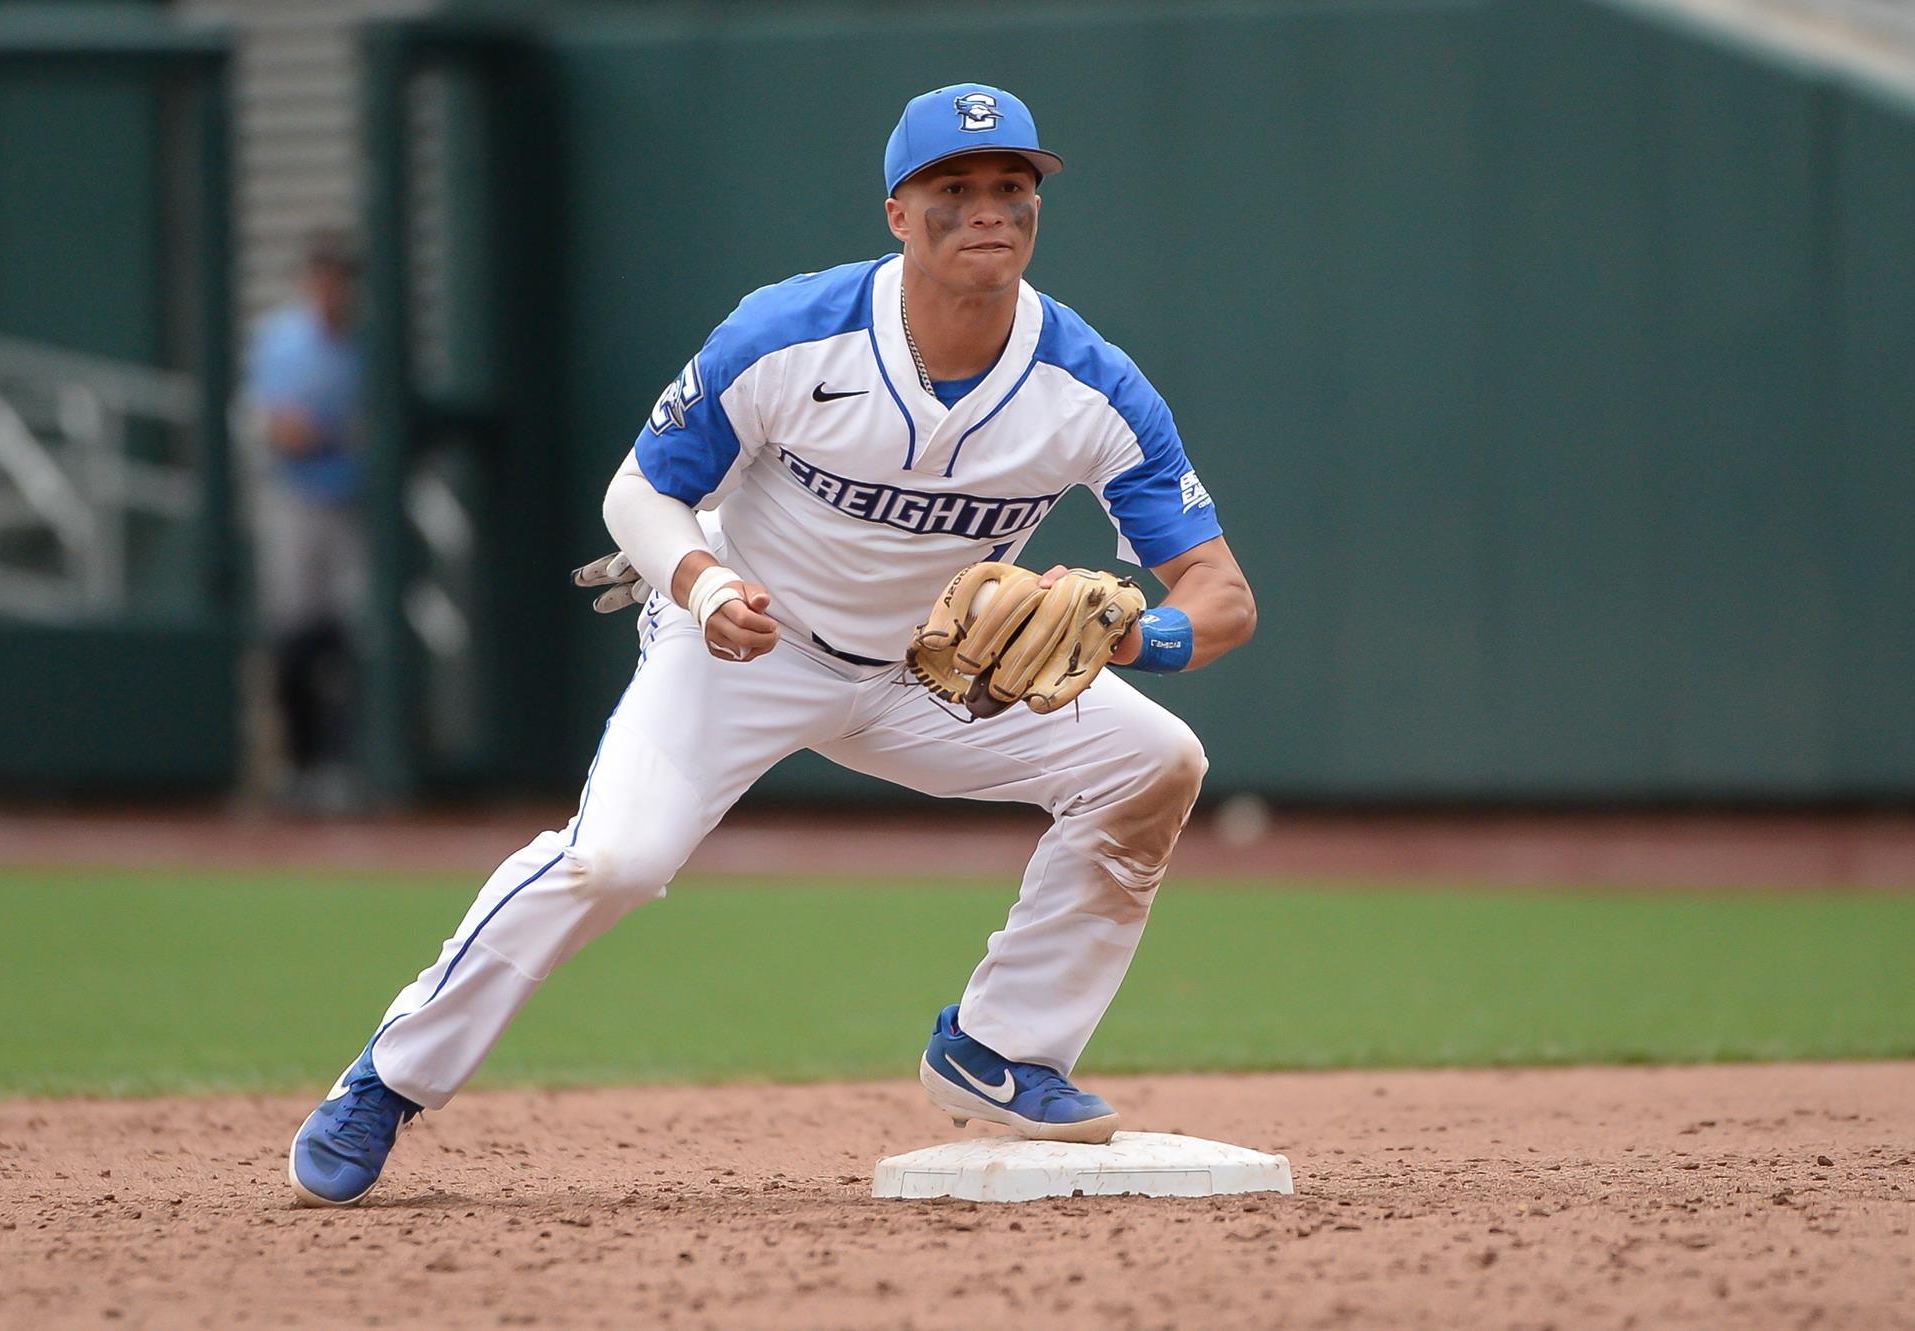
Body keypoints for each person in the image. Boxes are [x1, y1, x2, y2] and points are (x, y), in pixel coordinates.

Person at [287, 84, 1257, 1207]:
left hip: (930, 672)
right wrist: (696, 581)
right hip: (745, 647)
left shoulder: (1088, 385)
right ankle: (389, 1076)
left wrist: (1139, 633)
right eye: (954, 187)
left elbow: (1222, 594)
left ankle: (1001, 1050)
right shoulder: (789, 333)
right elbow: (638, 492)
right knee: (614, 860)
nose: (989, 207)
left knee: (1154, 761)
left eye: (1012, 185)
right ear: (898, 213)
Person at [245, 229, 365, 811]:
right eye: (319, 277)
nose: (328, 290)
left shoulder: (365, 345)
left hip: (356, 506)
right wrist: (336, 433)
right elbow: (284, 429)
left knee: (350, 637)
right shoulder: (282, 341)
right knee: (296, 634)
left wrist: (329, 433)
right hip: (297, 502)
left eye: (337, 279)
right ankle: (296, 768)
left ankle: (340, 768)